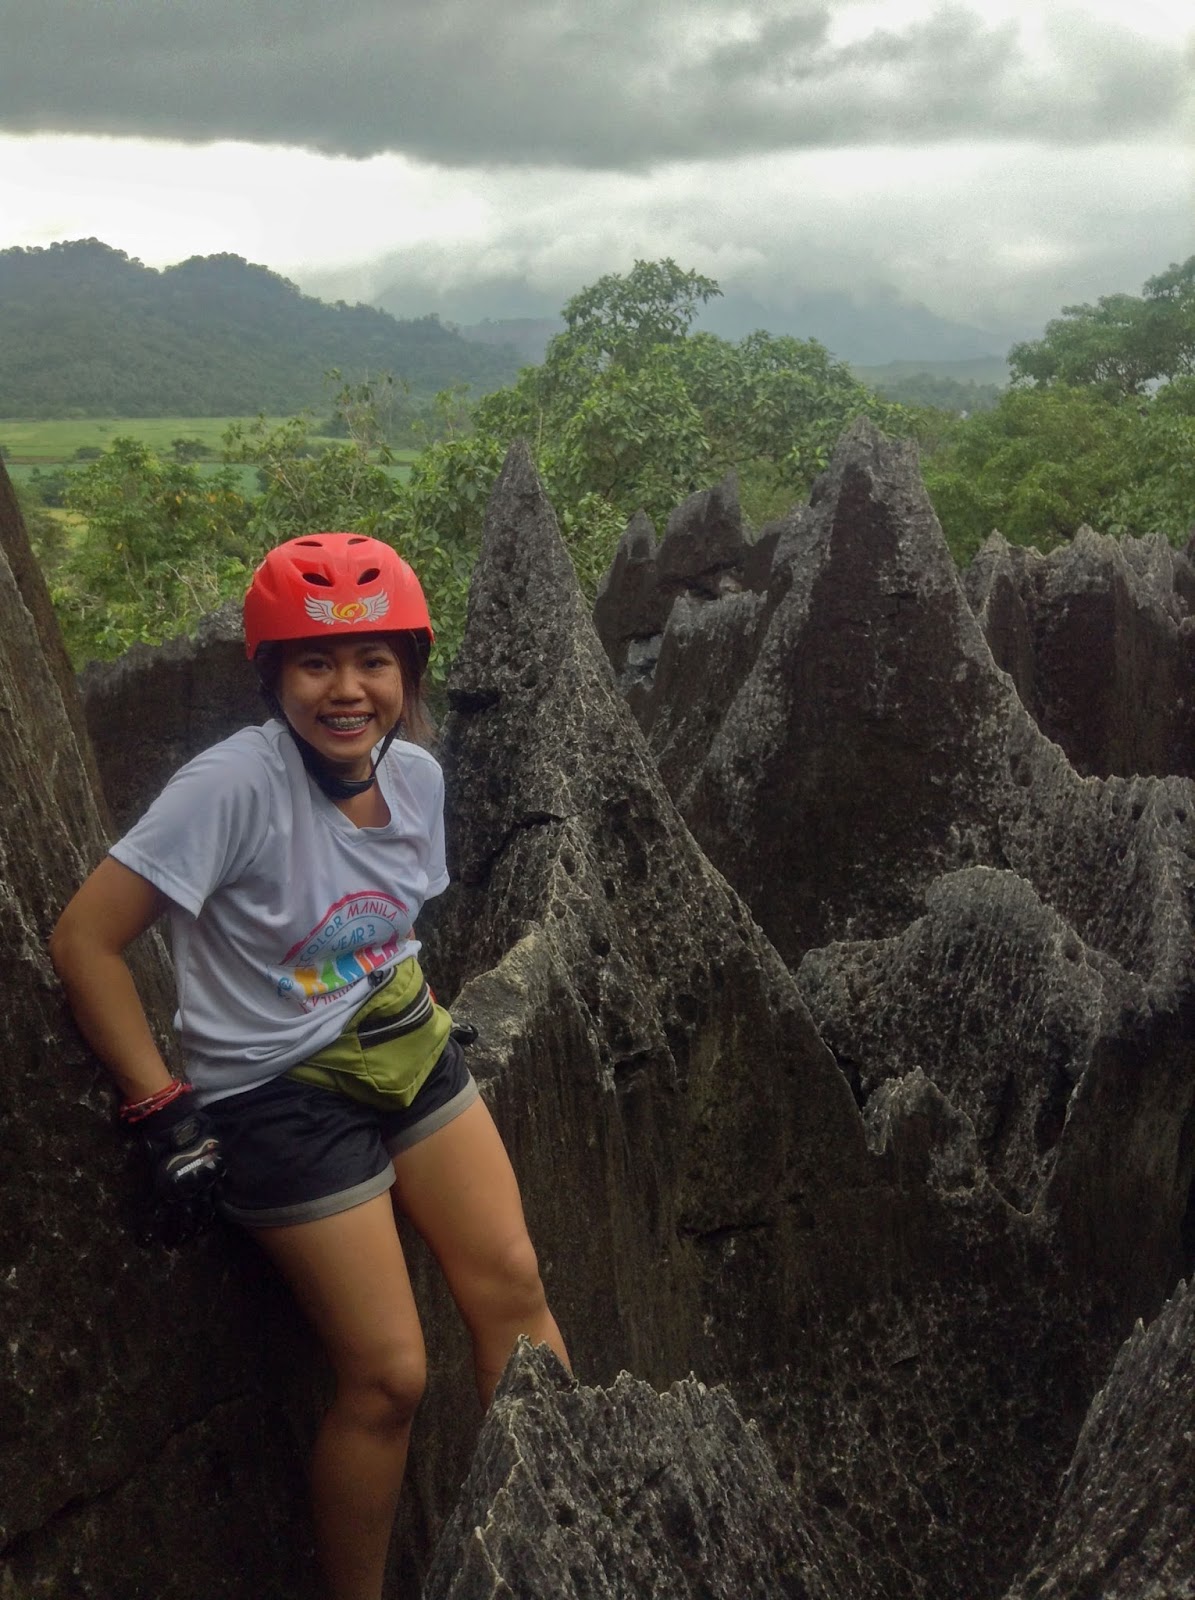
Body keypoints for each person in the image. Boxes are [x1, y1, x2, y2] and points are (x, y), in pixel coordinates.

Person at [50, 532, 569, 1600]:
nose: (347, 689)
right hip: (273, 1090)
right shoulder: (230, 786)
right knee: (388, 1377)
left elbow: (388, 929)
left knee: (515, 1291)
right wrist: (161, 1107)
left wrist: (406, 1014)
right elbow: (85, 940)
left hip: (403, 1036)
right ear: (272, 675)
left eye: (373, 662)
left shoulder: (418, 777)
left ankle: (569, 1533)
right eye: (315, 663)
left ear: (408, 674)